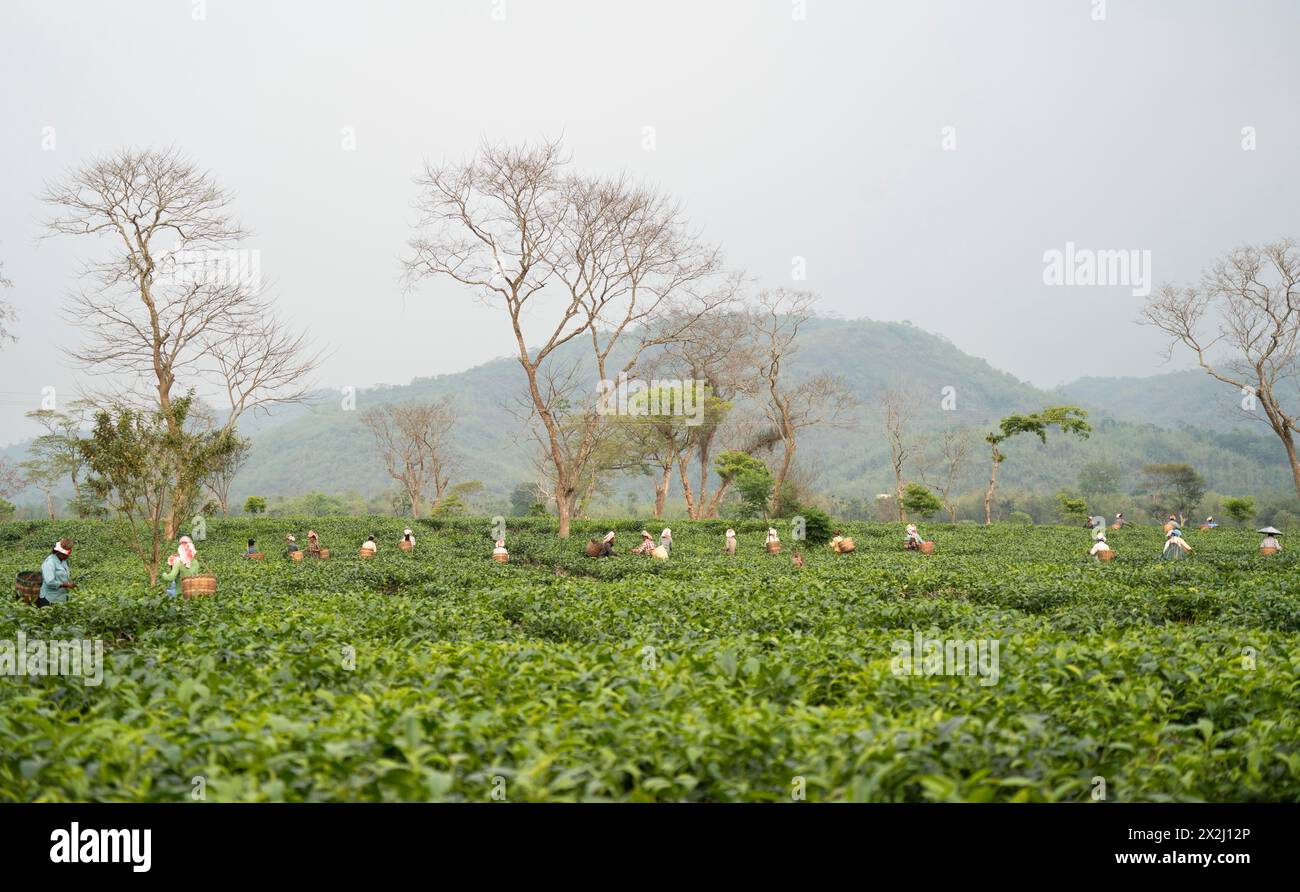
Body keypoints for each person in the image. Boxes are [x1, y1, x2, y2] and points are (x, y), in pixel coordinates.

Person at [38, 538, 75, 607]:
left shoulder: (63, 561)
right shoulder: (50, 562)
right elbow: (50, 582)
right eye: (67, 553)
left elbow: (63, 576)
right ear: (61, 553)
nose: (68, 555)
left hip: (61, 598)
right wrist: (65, 585)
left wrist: (69, 582)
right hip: (49, 599)